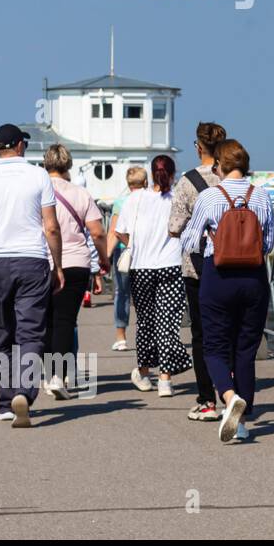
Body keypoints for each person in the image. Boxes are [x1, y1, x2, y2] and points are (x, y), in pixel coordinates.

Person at [180, 139, 274, 443]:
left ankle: (230, 395)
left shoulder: (210, 197)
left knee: (214, 346)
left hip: (218, 277)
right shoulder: (261, 196)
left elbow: (191, 241)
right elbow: (270, 243)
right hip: (254, 280)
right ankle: (243, 423)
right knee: (245, 350)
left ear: (220, 164)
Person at [0, 125, 64, 427]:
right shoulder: (38, 176)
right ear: (20, 146)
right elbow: (50, 225)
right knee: (30, 333)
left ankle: (4, 402)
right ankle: (24, 391)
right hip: (31, 260)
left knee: (1, 333)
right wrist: (58, 265)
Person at [116, 155, 192, 398]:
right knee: (167, 324)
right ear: (172, 174)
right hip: (171, 266)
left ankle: (145, 373)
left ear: (151, 173)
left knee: (146, 322)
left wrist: (135, 246)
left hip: (141, 268)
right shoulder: (177, 199)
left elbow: (120, 232)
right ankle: (165, 380)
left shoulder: (135, 199)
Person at [167, 121, 227, 421]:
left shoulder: (188, 182)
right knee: (231, 333)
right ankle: (232, 393)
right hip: (237, 267)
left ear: (198, 146)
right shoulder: (234, 178)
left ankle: (207, 401)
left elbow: (174, 227)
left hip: (199, 267)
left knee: (202, 335)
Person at [42, 145, 107, 399]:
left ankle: (48, 374)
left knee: (45, 320)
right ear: (68, 164)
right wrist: (103, 260)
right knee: (65, 320)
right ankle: (60, 375)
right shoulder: (81, 194)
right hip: (76, 262)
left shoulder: (37, 190)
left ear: (46, 164)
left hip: (43, 261)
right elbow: (98, 232)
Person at [106, 166, 148, 351]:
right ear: (145, 182)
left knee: (122, 294)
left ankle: (121, 337)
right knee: (144, 296)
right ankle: (145, 335)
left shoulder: (120, 202)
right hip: (146, 253)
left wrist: (104, 256)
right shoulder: (152, 200)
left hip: (123, 254)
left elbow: (115, 232)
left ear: (127, 182)